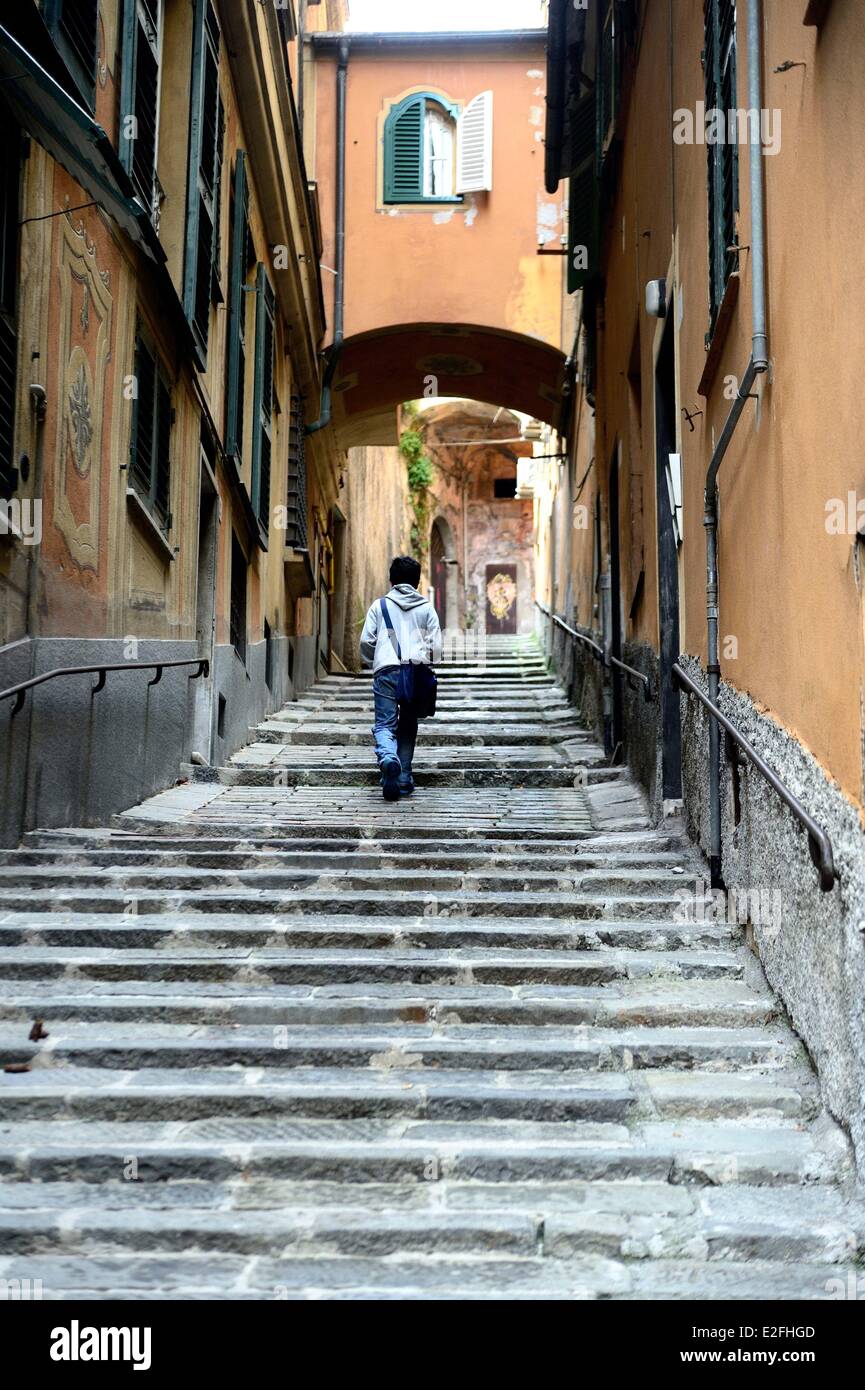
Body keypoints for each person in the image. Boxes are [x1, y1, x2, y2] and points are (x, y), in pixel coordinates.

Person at [360, 555, 443, 801]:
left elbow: (366, 641)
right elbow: (436, 649)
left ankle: (388, 758)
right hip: (415, 671)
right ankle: (404, 778)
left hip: (386, 670)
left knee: (385, 724)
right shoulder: (427, 608)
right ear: (417, 582)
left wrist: (373, 660)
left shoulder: (379, 606)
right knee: (408, 723)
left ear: (391, 580)